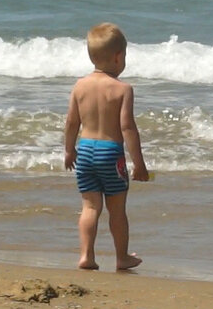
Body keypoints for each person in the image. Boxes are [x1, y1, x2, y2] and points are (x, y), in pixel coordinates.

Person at [63, 22, 149, 271]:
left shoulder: (80, 86)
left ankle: (86, 256)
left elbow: (71, 123)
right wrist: (139, 163)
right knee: (117, 210)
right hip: (111, 154)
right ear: (118, 57)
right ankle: (122, 257)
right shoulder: (123, 89)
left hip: (86, 150)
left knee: (89, 207)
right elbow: (127, 128)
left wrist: (69, 150)